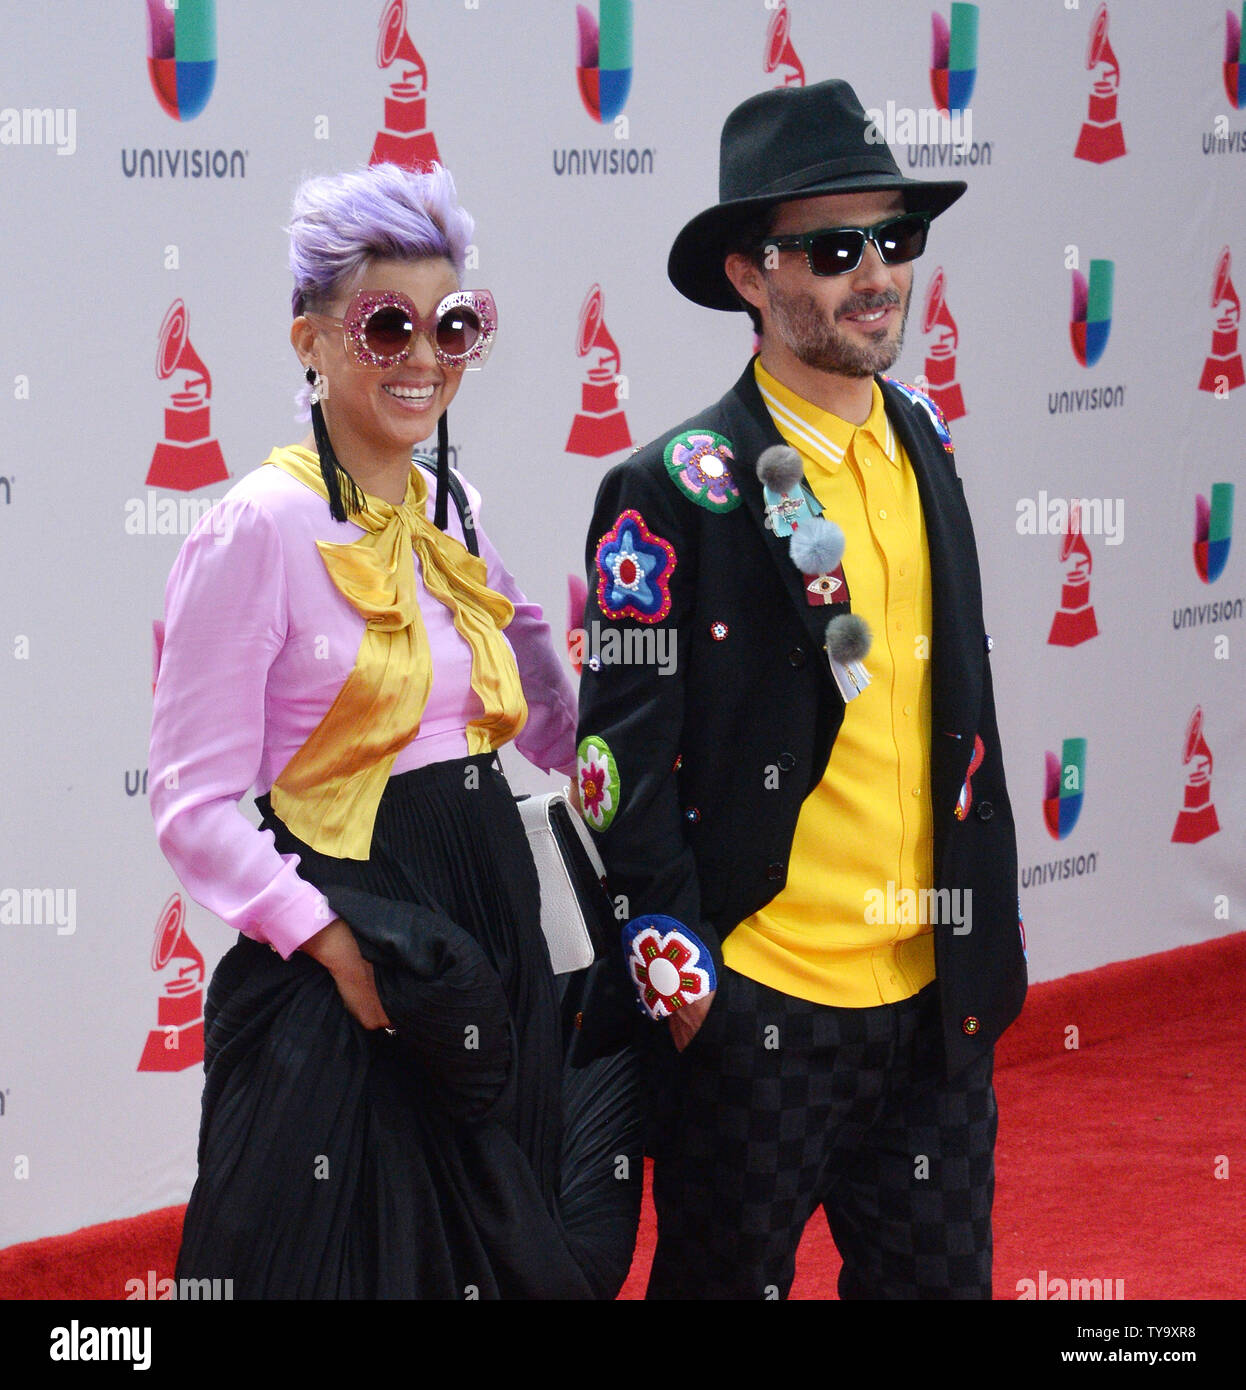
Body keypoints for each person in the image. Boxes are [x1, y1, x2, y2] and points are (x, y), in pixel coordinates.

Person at [150, 161, 638, 1299]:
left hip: (491, 933)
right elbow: (190, 800)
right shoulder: (256, 528)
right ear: (309, 341)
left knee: (505, 1252)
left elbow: (538, 683)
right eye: (386, 325)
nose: (425, 355)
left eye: (454, 324)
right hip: (357, 949)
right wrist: (328, 941)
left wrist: (636, 779)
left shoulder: (446, 507)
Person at [575, 80, 1027, 1299]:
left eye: (895, 237)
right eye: (833, 248)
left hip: (933, 1005)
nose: (875, 273)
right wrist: (689, 992)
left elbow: (959, 713)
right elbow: (614, 765)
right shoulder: (676, 485)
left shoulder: (923, 438)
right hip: (757, 1012)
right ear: (747, 276)